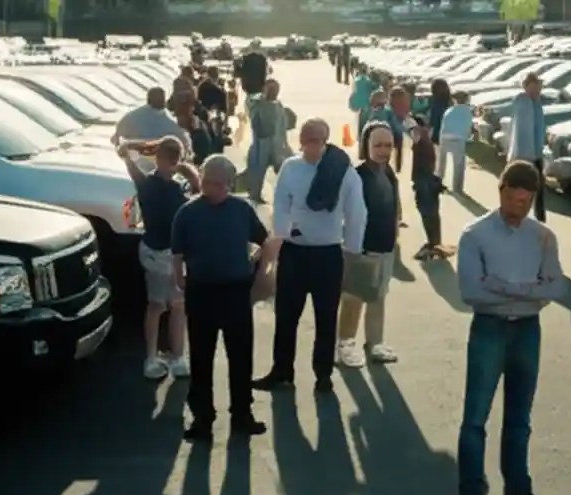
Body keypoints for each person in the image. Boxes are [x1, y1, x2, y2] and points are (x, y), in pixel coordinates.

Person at [441, 160, 566, 495]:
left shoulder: (543, 237)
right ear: (501, 192)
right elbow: (471, 291)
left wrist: (505, 287)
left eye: (527, 203)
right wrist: (529, 291)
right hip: (489, 329)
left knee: (520, 417)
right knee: (475, 417)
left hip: (528, 330)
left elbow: (556, 288)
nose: (520, 209)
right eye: (514, 201)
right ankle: (470, 494)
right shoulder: (475, 235)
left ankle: (519, 490)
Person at [254, 118, 368, 395]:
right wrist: (280, 236)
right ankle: (282, 370)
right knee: (286, 315)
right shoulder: (291, 168)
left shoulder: (342, 172)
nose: (312, 145)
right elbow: (280, 204)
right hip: (294, 251)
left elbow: (357, 213)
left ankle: (323, 375)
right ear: (300, 141)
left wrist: (352, 251)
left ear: (326, 140)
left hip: (328, 254)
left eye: (317, 140)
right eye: (307, 140)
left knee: (326, 318)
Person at [170, 155, 269, 440]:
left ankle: (242, 414)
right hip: (201, 291)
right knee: (201, 357)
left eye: (216, 184)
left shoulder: (241, 209)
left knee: (240, 356)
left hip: (236, 291)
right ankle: (203, 417)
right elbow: (177, 252)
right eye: (206, 181)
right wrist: (180, 279)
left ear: (229, 184)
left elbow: (264, 240)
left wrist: (259, 270)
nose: (209, 188)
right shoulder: (187, 213)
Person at [118, 136, 198, 380]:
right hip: (166, 254)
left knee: (165, 306)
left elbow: (126, 156)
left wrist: (132, 147)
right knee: (170, 306)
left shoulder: (145, 182)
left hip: (156, 251)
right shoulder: (175, 189)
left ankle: (160, 357)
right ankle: (170, 357)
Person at [337, 123, 401, 368]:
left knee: (378, 298)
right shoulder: (358, 175)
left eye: (388, 145)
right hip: (363, 248)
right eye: (378, 145)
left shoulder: (389, 173)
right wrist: (353, 248)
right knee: (354, 300)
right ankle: (345, 346)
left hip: (386, 248)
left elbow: (394, 208)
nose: (384, 150)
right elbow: (349, 213)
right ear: (366, 145)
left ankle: (375, 343)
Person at [409, 117, 452, 261]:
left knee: (428, 215)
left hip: (424, 184)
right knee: (432, 215)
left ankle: (433, 246)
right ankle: (435, 244)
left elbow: (426, 168)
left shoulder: (422, 143)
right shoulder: (425, 142)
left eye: (415, 129)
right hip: (428, 183)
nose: (412, 133)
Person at [246, 79, 295, 204]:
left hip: (278, 143)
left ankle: (289, 195)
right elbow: (255, 122)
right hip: (262, 144)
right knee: (258, 170)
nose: (274, 92)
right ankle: (254, 194)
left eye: (275, 90)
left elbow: (283, 124)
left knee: (288, 168)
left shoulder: (278, 105)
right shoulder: (257, 104)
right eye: (271, 89)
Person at [507, 73, 547, 222]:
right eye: (534, 86)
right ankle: (517, 217)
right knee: (522, 190)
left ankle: (539, 220)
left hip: (536, 154)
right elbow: (521, 131)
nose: (538, 89)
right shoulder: (523, 102)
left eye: (538, 86)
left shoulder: (536, 103)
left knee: (538, 190)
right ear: (527, 86)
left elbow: (538, 128)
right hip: (523, 155)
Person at [112, 87, 191, 157]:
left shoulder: (132, 116)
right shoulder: (170, 122)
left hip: (138, 159)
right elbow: (185, 145)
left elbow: (117, 137)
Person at [437, 90, 472, 194]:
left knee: (441, 163)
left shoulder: (449, 110)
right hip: (458, 138)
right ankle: (457, 188)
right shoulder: (467, 111)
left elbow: (443, 125)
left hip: (444, 136)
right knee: (459, 165)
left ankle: (438, 181)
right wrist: (467, 137)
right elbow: (467, 127)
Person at [427, 78, 452, 144]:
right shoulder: (451, 103)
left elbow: (433, 123)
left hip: (438, 137)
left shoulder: (436, 104)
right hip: (452, 135)